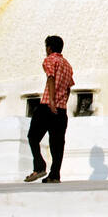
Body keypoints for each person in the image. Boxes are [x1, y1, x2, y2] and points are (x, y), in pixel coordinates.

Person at [25, 35, 74, 183]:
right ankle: (54, 175)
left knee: (33, 136)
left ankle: (39, 165)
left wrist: (52, 101)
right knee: (57, 143)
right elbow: (68, 88)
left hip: (47, 105)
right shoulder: (67, 65)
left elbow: (51, 78)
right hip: (61, 109)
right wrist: (62, 102)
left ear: (49, 48)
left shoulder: (50, 59)